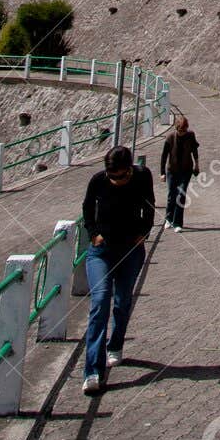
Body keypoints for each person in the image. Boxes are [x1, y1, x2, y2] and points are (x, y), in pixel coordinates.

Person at [80, 144, 155, 396]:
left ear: (130, 170)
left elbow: (150, 206)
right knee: (100, 301)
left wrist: (143, 233)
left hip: (131, 251)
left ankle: (116, 344)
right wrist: (94, 235)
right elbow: (87, 210)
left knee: (122, 302)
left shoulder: (143, 176)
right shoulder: (98, 181)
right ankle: (93, 371)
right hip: (102, 251)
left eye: (121, 176)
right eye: (112, 177)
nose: (116, 181)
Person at [160, 114, 200, 231]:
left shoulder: (190, 136)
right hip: (172, 170)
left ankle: (178, 223)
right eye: (180, 130)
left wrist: (197, 165)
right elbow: (164, 156)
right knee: (171, 195)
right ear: (176, 129)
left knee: (181, 195)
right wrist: (162, 172)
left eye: (184, 130)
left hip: (186, 170)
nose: (182, 132)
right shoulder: (170, 137)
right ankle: (168, 218)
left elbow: (194, 151)